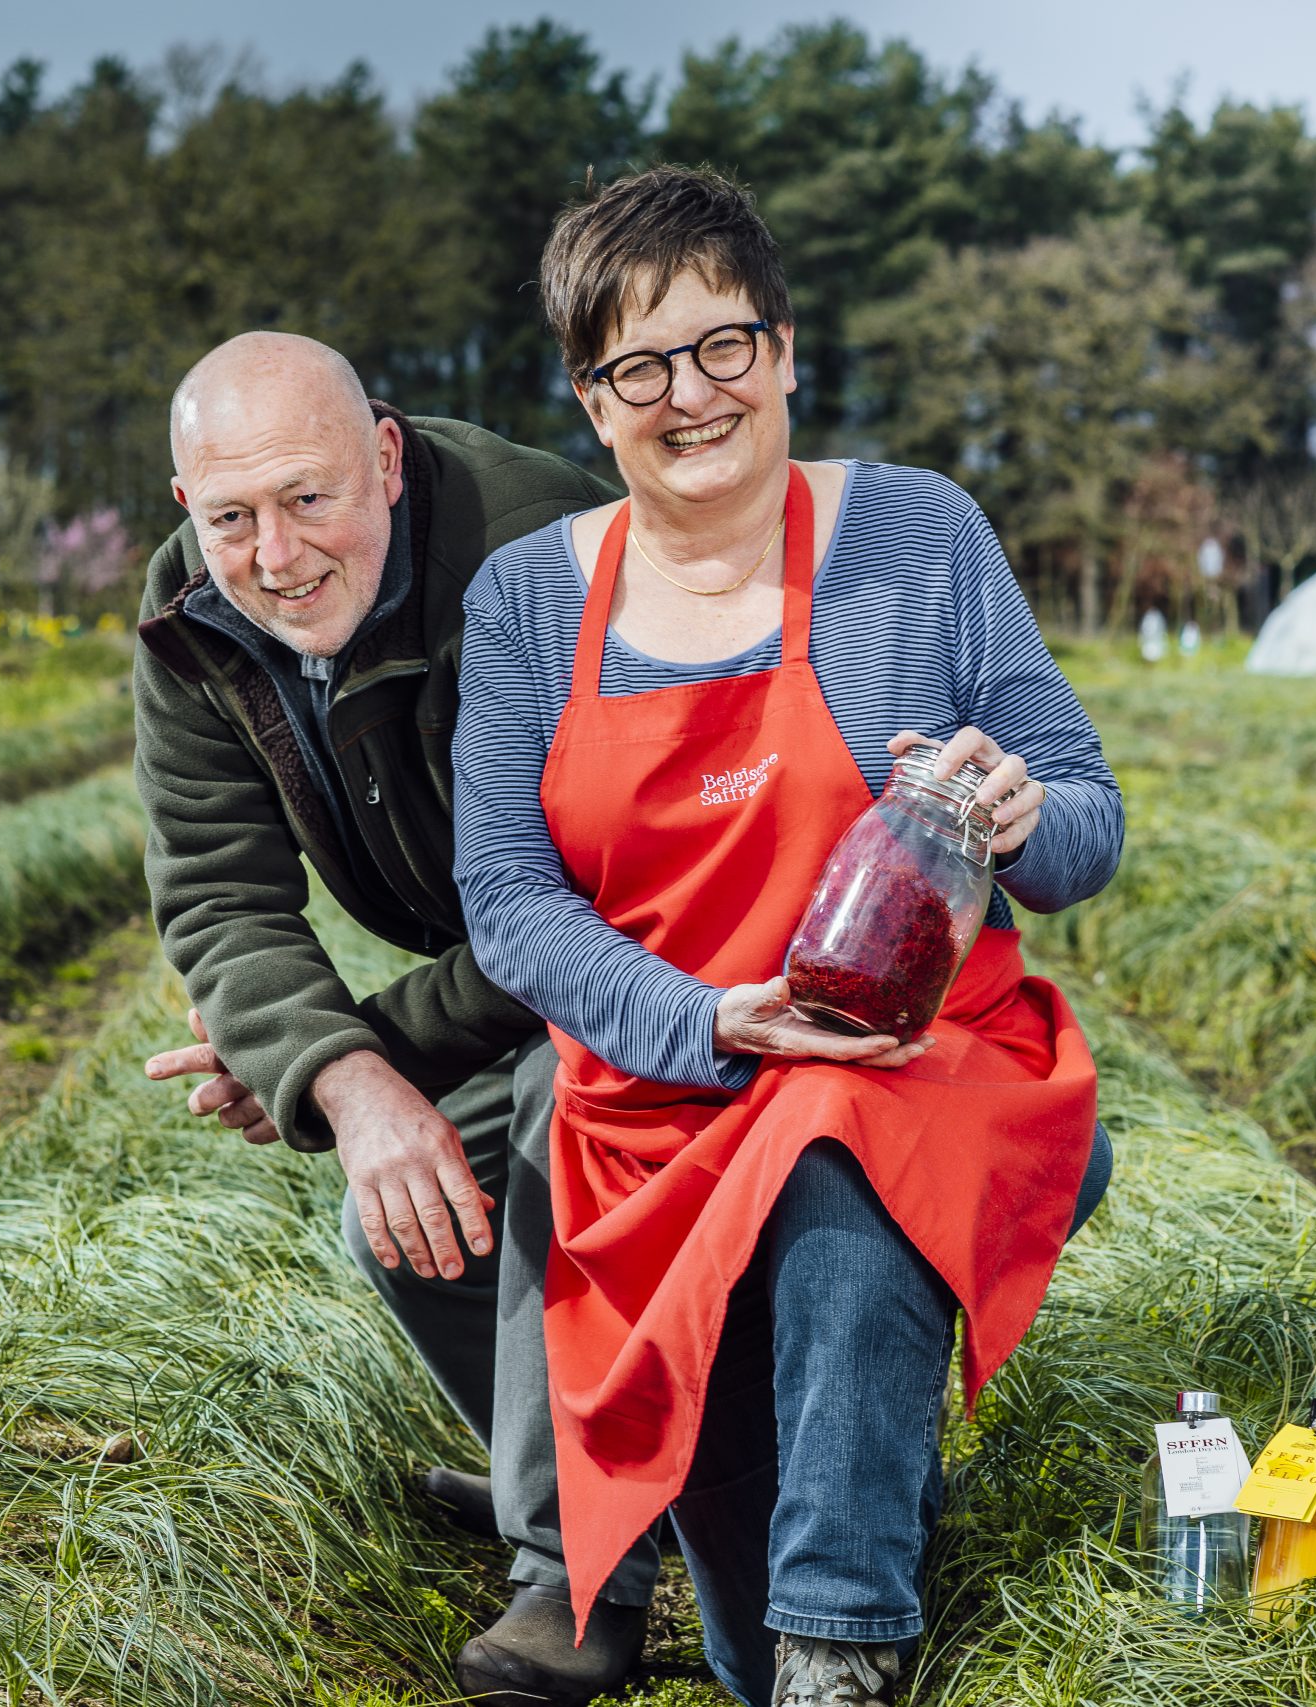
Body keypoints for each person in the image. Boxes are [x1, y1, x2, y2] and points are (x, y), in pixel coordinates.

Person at [453, 167, 1120, 1707]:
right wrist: (708, 1020)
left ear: (786, 350)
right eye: (639, 367)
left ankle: (846, 1639)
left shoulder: (919, 537)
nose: (690, 395)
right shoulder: (526, 604)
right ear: (591, 401)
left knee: (837, 1125)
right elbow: (508, 897)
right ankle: (824, 1565)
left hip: (924, 1073)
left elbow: (1088, 821)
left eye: (723, 346)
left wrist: (1024, 815)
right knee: (739, 1646)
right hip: (666, 1104)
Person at [129, 331, 662, 1703]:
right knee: (408, 1217)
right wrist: (336, 1076)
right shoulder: (189, 609)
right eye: (232, 516)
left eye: (310, 497)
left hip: (655, 958)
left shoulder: (534, 555)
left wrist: (370, 1048)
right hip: (505, 955)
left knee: (557, 1115)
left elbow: (596, 901)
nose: (276, 554)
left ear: (385, 454)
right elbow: (218, 892)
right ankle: (599, 1471)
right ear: (187, 507)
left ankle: (580, 1566)